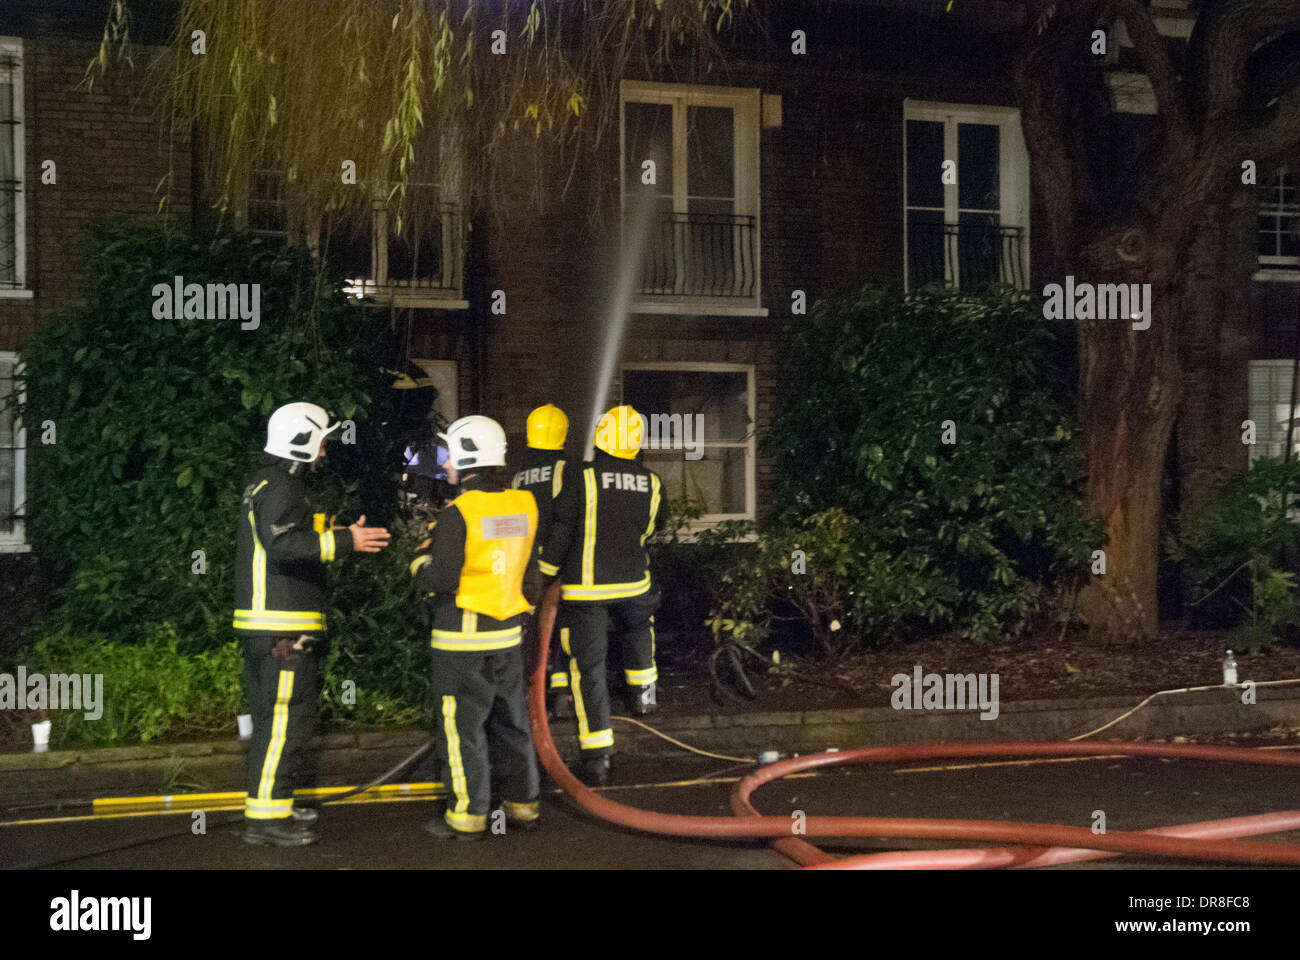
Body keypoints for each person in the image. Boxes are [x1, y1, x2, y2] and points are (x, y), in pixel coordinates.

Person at [235, 402, 391, 846]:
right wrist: (347, 540)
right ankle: (266, 821)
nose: (324, 452)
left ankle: (274, 805)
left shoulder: (270, 484)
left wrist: (339, 533)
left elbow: (291, 536)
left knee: (275, 721)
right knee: (284, 723)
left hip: (270, 627)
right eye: (321, 441)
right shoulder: (283, 486)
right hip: (283, 630)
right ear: (302, 441)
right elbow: (284, 544)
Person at [411, 415, 543, 840]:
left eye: (449, 454)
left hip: (461, 640)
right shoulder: (524, 504)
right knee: (512, 723)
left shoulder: (457, 513)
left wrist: (417, 562)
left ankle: (467, 814)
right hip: (507, 638)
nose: (445, 463)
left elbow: (443, 579)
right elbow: (532, 577)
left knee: (462, 728)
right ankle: (523, 805)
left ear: (466, 457)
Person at [542, 405, 667, 786]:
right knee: (638, 629)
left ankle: (598, 756)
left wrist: (545, 574)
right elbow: (652, 529)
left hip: (587, 589)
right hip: (634, 582)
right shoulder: (652, 481)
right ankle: (644, 696)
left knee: (588, 668)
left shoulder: (582, 477)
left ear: (601, 438)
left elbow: (562, 529)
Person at [510, 403, 572, 717]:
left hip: (525, 563)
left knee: (531, 627)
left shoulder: (521, 475)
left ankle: (528, 691)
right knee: (562, 624)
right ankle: (561, 692)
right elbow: (568, 519)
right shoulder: (567, 470)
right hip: (558, 563)